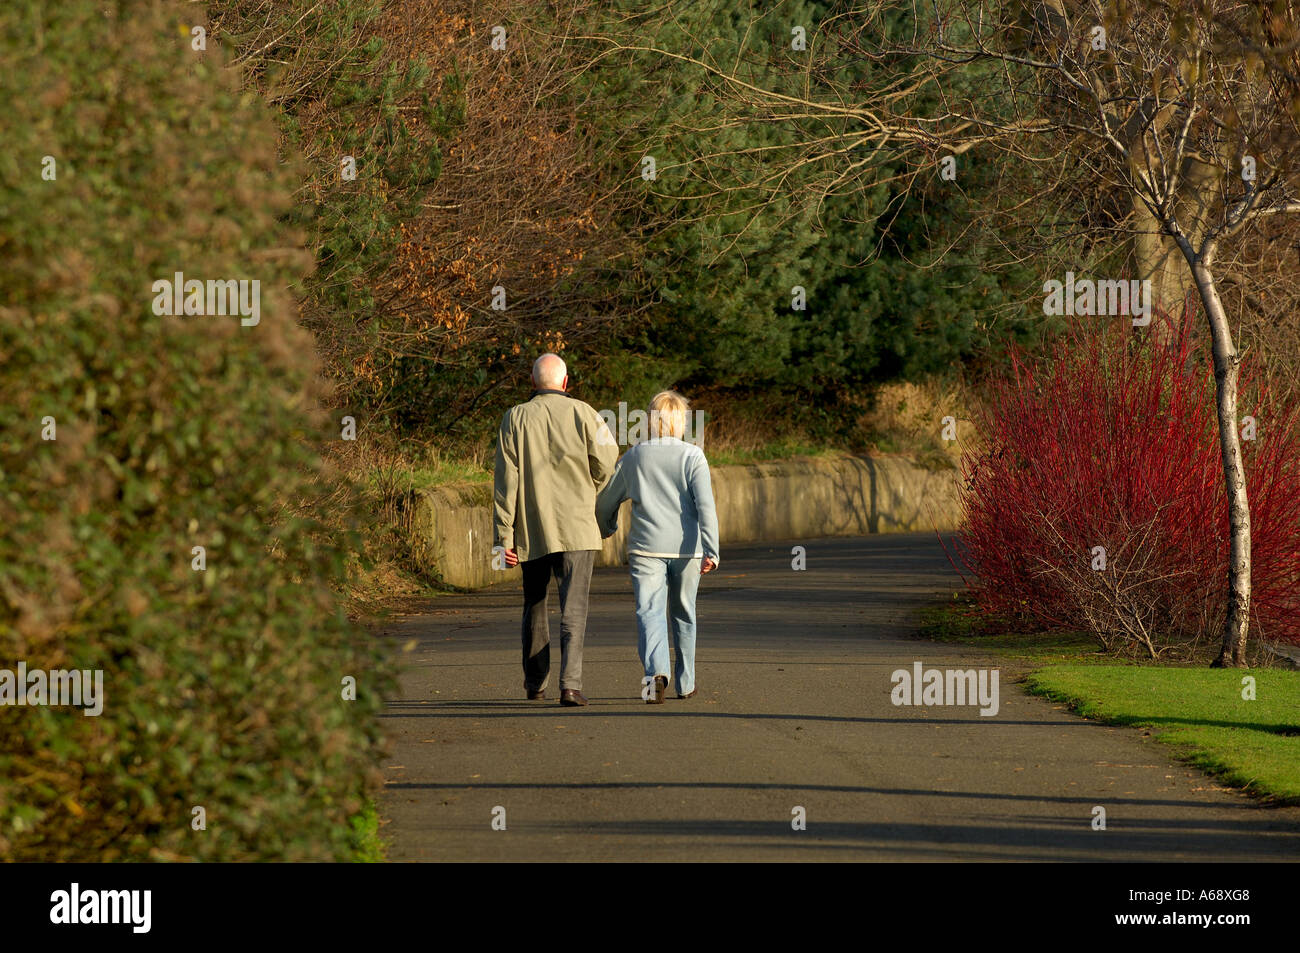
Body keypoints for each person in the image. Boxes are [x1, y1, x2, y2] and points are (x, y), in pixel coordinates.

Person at [493, 353, 618, 707]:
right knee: (574, 607)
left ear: (532, 382)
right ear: (566, 383)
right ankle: (571, 686)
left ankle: (535, 683)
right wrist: (590, 490)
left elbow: (506, 481)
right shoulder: (585, 413)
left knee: (534, 602)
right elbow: (608, 465)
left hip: (532, 528)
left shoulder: (514, 417)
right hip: (578, 526)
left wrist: (502, 540)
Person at [596, 390, 719, 704]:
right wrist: (711, 549)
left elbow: (606, 500)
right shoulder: (694, 456)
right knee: (685, 614)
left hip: (646, 548)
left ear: (651, 421)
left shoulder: (636, 456)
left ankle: (655, 676)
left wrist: (607, 527)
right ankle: (687, 684)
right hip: (687, 550)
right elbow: (706, 507)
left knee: (649, 612)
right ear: (682, 423)